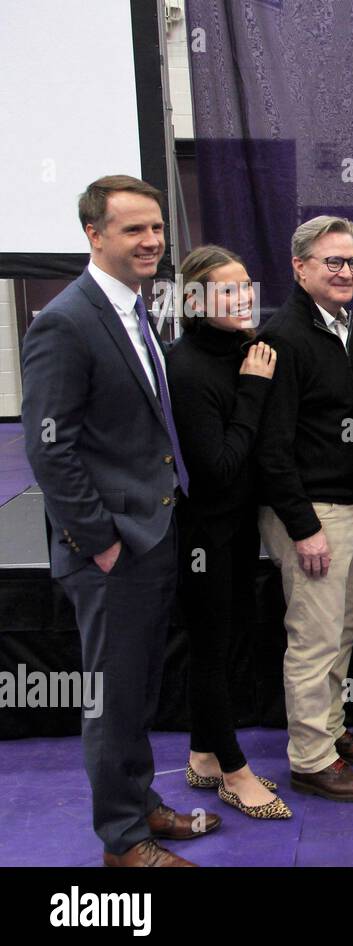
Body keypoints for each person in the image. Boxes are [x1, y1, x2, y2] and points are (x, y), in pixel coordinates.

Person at [21, 175, 219, 865]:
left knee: (137, 691)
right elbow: (49, 447)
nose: (152, 241)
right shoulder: (66, 322)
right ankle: (124, 840)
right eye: (134, 229)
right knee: (112, 700)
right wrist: (99, 542)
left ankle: (141, 806)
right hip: (111, 549)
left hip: (153, 534)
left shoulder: (136, 311)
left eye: (158, 227)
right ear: (94, 235)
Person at [256, 216, 353, 801]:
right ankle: (310, 759)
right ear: (300, 268)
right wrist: (303, 527)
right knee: (313, 639)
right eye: (332, 262)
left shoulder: (341, 327)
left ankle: (330, 734)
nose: (345, 271)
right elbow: (271, 446)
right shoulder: (284, 336)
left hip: (347, 507)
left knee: (342, 630)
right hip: (311, 514)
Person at [168, 245, 292, 819]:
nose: (243, 297)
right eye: (227, 289)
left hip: (237, 527)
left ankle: (202, 753)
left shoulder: (246, 351)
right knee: (213, 649)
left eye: (246, 285)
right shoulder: (189, 367)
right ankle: (235, 771)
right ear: (194, 300)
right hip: (203, 535)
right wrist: (254, 389)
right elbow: (217, 469)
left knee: (229, 640)